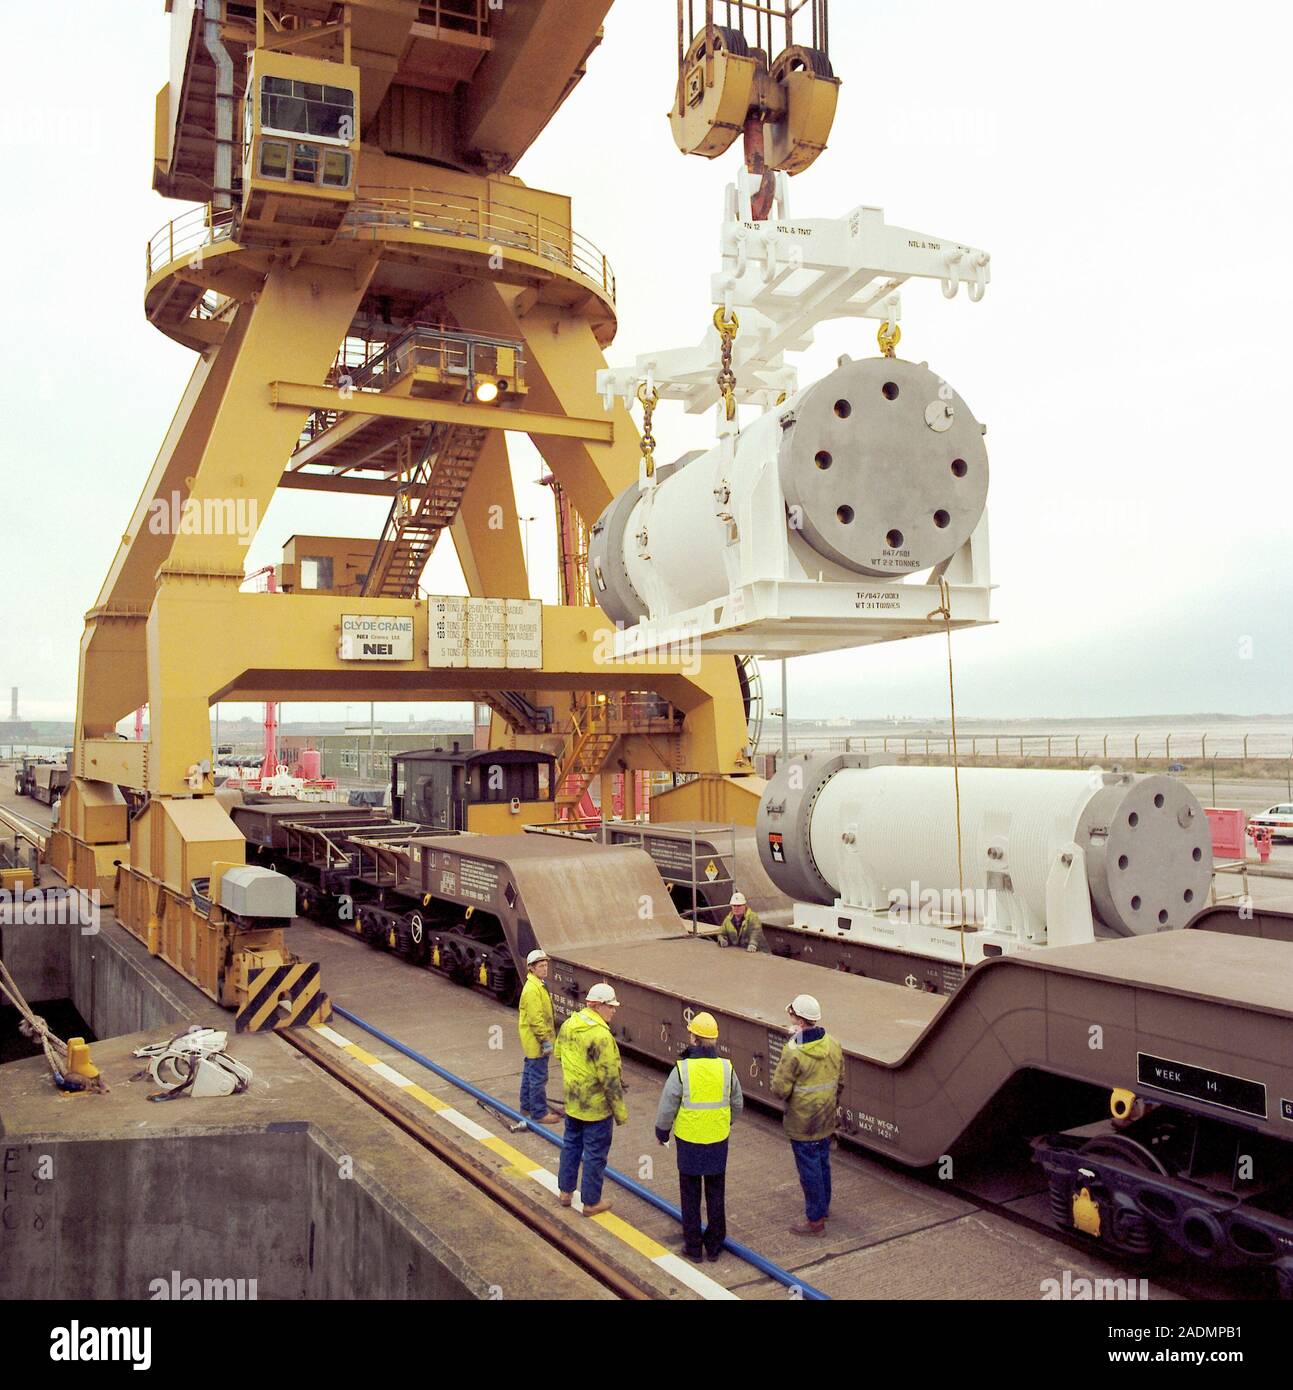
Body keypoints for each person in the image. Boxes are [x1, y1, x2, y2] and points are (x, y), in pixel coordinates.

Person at [654, 1011, 743, 1262]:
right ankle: (714, 1246)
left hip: (689, 1142)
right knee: (716, 1192)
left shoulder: (682, 1070)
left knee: (690, 1194)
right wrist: (725, 1122)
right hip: (717, 1140)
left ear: (693, 1038)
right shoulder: (726, 1068)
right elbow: (737, 1103)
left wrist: (662, 1131)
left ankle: (693, 1248)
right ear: (714, 1040)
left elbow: (668, 1104)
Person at [770, 992, 844, 1236]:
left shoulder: (793, 1052)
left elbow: (780, 1090)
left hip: (803, 1121)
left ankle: (815, 1220)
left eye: (791, 1014)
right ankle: (824, 1207)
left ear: (800, 1021)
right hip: (826, 1117)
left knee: (809, 1169)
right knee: (822, 1163)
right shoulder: (833, 1043)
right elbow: (840, 1081)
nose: (789, 1017)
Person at [556, 981, 627, 1217]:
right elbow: (610, 1079)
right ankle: (591, 1202)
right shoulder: (601, 1036)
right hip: (596, 1108)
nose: (614, 1010)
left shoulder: (569, 1025)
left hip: (573, 1102)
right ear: (597, 1006)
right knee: (595, 1154)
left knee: (571, 1146)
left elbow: (558, 1053)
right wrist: (620, 1113)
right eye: (610, 1006)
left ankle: (565, 1192)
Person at [516, 948, 561, 1125]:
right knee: (538, 1078)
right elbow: (536, 1020)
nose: (545, 969)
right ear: (531, 968)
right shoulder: (532, 990)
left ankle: (526, 1107)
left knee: (529, 1074)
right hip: (537, 1042)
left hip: (532, 1041)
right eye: (541, 966)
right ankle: (539, 1113)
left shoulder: (537, 984)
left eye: (545, 965)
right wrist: (545, 1041)